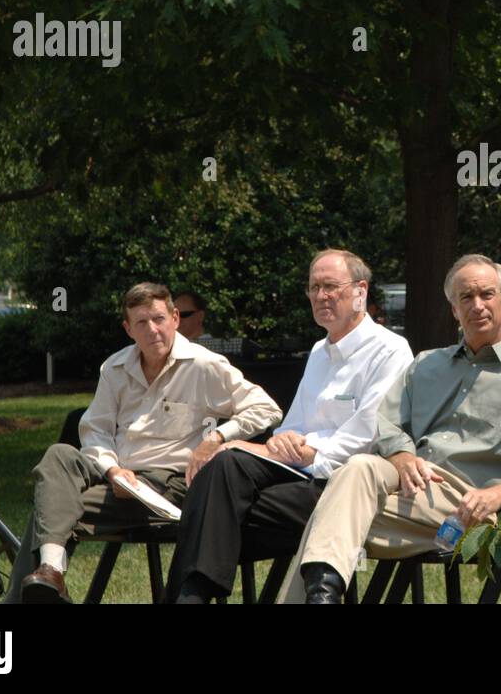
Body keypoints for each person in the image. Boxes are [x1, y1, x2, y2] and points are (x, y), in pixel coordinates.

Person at [282, 253, 501, 604]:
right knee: (357, 470)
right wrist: (402, 455)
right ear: (453, 309)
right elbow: (386, 421)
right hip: (411, 487)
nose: (476, 305)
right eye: (465, 297)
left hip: (470, 502)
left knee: (327, 518)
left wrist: (498, 495)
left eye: (486, 295)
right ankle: (322, 598)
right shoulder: (426, 365)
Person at [2, 282, 281, 603]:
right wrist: (112, 470)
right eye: (141, 323)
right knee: (59, 457)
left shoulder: (203, 365)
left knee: (49, 508)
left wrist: (217, 438)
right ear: (128, 329)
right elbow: (95, 431)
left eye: (159, 319)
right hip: (117, 479)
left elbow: (266, 408)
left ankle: (27, 596)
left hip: (171, 486)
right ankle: (51, 572)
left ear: (175, 317)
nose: (153, 330)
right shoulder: (115, 368)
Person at [164, 249, 413, 602]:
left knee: (211, 515)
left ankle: (189, 597)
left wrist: (305, 450)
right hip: (298, 472)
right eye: (313, 288)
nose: (320, 296)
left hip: (343, 487)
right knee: (225, 463)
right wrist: (277, 444)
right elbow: (291, 427)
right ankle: (192, 598)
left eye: (330, 286)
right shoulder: (318, 351)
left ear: (361, 291)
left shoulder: (390, 350)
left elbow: (369, 437)